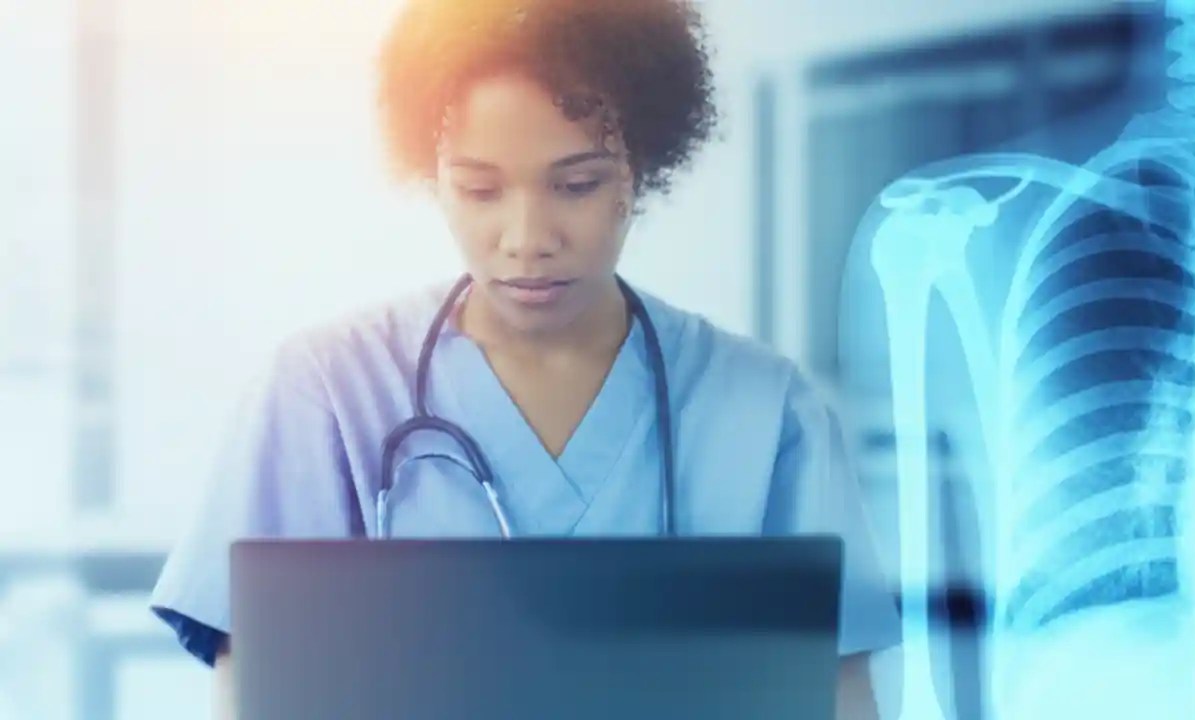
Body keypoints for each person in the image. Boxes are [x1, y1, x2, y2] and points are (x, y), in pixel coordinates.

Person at [148, 1, 902, 717]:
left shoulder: (764, 410)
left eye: (577, 185)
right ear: (432, 175)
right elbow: (254, 691)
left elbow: (838, 697)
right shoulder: (326, 393)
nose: (528, 238)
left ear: (642, 166)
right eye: (480, 190)